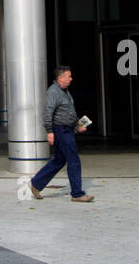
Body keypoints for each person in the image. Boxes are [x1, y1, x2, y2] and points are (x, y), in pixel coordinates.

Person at [29, 65, 93, 203]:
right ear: (60, 78)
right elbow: (47, 113)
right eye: (68, 76)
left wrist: (77, 125)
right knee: (73, 160)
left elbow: (67, 112)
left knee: (59, 160)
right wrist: (50, 131)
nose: (71, 79)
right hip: (61, 130)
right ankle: (77, 193)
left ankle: (36, 183)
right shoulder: (53, 92)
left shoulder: (64, 91)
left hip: (66, 129)